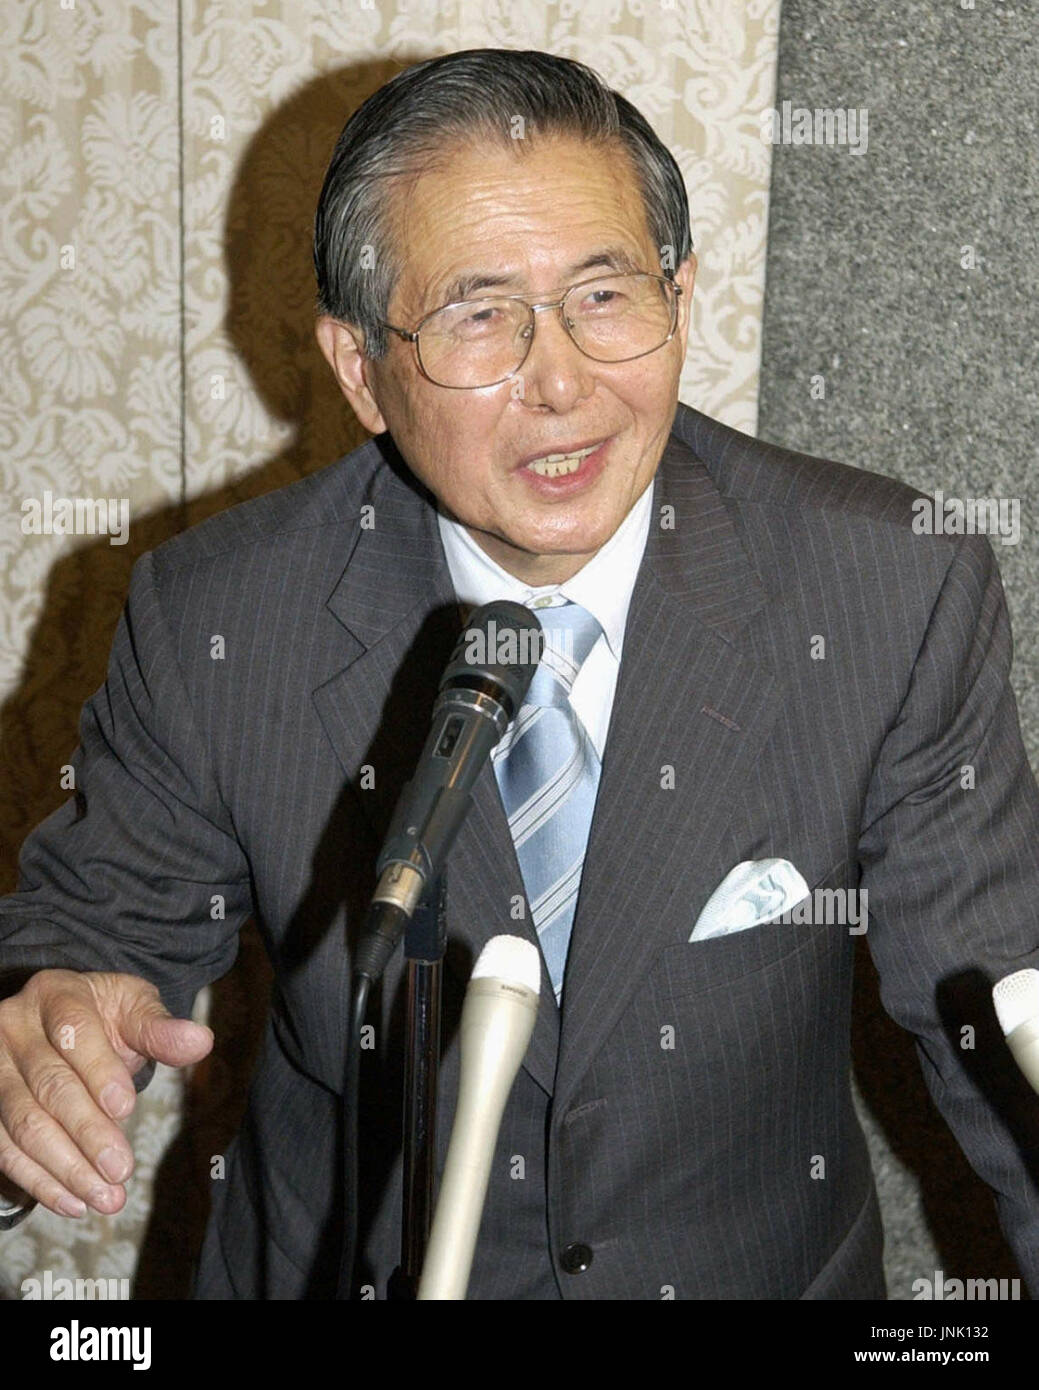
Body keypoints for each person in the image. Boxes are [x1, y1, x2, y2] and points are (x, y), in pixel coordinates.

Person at [1, 48, 1038, 1300]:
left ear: (682, 296)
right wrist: (42, 1040)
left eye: (606, 297)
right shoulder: (220, 615)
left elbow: (1000, 1014)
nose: (562, 385)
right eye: (479, 315)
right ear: (356, 370)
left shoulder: (886, 589)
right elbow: (97, 936)